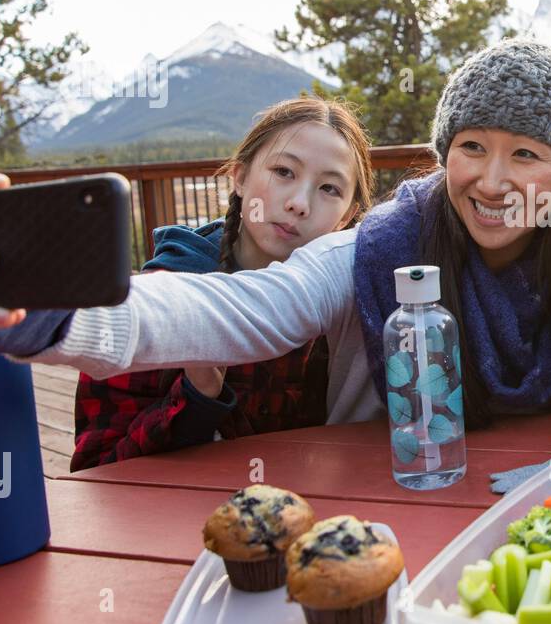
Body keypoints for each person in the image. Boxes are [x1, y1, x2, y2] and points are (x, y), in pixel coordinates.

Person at [0, 38, 551, 433]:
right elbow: (235, 308)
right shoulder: (379, 251)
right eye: (472, 146)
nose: (489, 180)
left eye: (525, 154)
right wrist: (55, 313)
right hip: (393, 515)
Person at [70, 94, 372, 469]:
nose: (299, 203)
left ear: (347, 217)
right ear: (241, 177)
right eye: (284, 172)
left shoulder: (347, 307)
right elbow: (96, 466)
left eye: (329, 189)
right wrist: (196, 396)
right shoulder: (159, 300)